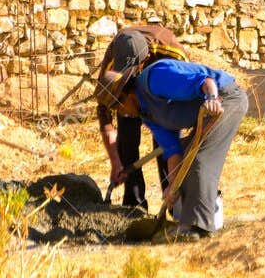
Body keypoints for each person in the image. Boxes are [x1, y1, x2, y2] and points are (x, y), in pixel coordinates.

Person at [96, 57, 247, 236]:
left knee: (198, 160)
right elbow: (172, 150)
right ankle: (188, 223)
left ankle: (199, 228)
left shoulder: (156, 79)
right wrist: (171, 186)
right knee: (185, 162)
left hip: (225, 100)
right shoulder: (147, 115)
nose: (121, 113)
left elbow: (206, 82)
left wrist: (212, 99)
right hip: (207, 112)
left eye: (117, 107)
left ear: (126, 95)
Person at [94, 24, 183, 211]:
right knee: (127, 140)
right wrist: (116, 162)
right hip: (128, 94)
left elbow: (187, 87)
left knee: (167, 143)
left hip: (162, 93)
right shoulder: (112, 62)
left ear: (147, 58)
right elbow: (104, 113)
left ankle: (175, 202)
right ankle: (134, 207)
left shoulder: (171, 53)